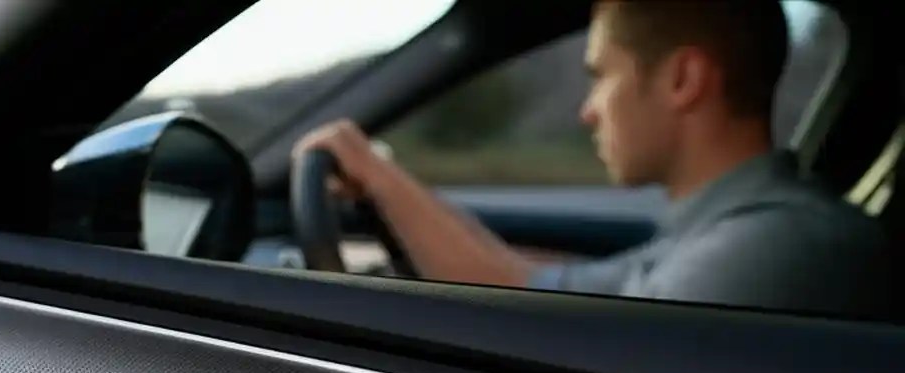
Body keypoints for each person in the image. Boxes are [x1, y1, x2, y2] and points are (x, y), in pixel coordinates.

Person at [293, 0, 892, 315]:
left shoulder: (779, 245)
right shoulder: (727, 231)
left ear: (683, 78)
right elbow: (554, 285)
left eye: (601, 76)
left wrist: (377, 174)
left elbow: (532, 308)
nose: (587, 111)